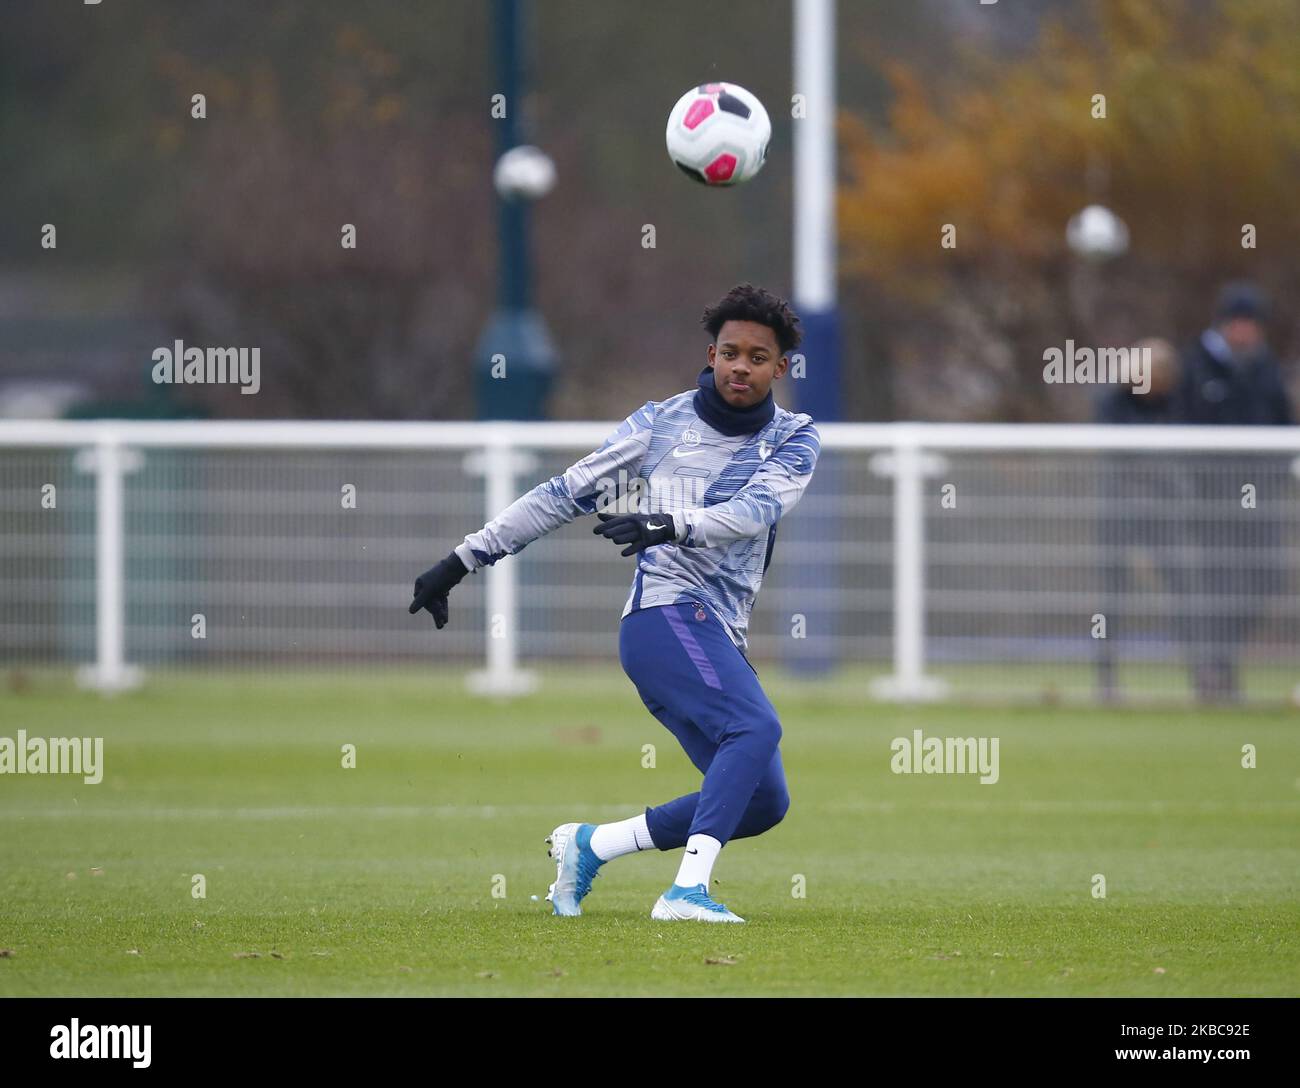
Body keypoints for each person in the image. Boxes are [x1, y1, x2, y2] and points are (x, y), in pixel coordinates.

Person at [407, 284, 820, 923]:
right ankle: (686, 894)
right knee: (757, 727)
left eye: (758, 357)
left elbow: (755, 509)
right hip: (665, 618)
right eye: (731, 352)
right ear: (711, 355)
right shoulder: (660, 423)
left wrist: (671, 523)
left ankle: (591, 844)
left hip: (716, 631)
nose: (742, 366)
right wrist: (462, 559)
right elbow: (561, 494)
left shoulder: (795, 439)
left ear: (780, 367)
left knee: (762, 801)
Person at [1177, 282, 1293, 702]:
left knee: (1265, 579)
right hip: (1213, 504)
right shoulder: (1196, 366)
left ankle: (1220, 661)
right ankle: (1214, 671)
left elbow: (1282, 424)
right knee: (1217, 588)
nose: (1247, 333)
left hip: (1261, 501)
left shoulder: (1265, 368)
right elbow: (1182, 431)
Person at [1094, 339, 1194, 701]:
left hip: (1164, 513)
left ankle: (1202, 673)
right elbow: (1116, 457)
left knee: (1186, 589)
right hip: (1119, 514)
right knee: (1111, 599)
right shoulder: (1112, 403)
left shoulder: (1177, 403)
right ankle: (1105, 677)